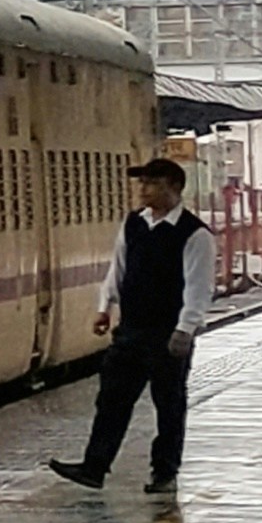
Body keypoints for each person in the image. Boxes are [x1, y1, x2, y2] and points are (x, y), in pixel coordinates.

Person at [65, 157, 219, 493]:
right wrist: (104, 307)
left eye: (151, 183)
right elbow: (118, 267)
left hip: (167, 333)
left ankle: (164, 471)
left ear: (174, 188)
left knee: (169, 404)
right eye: (142, 183)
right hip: (131, 329)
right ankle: (95, 466)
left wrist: (186, 329)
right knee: (112, 399)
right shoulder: (134, 223)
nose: (143, 190)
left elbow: (199, 287)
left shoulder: (195, 235)